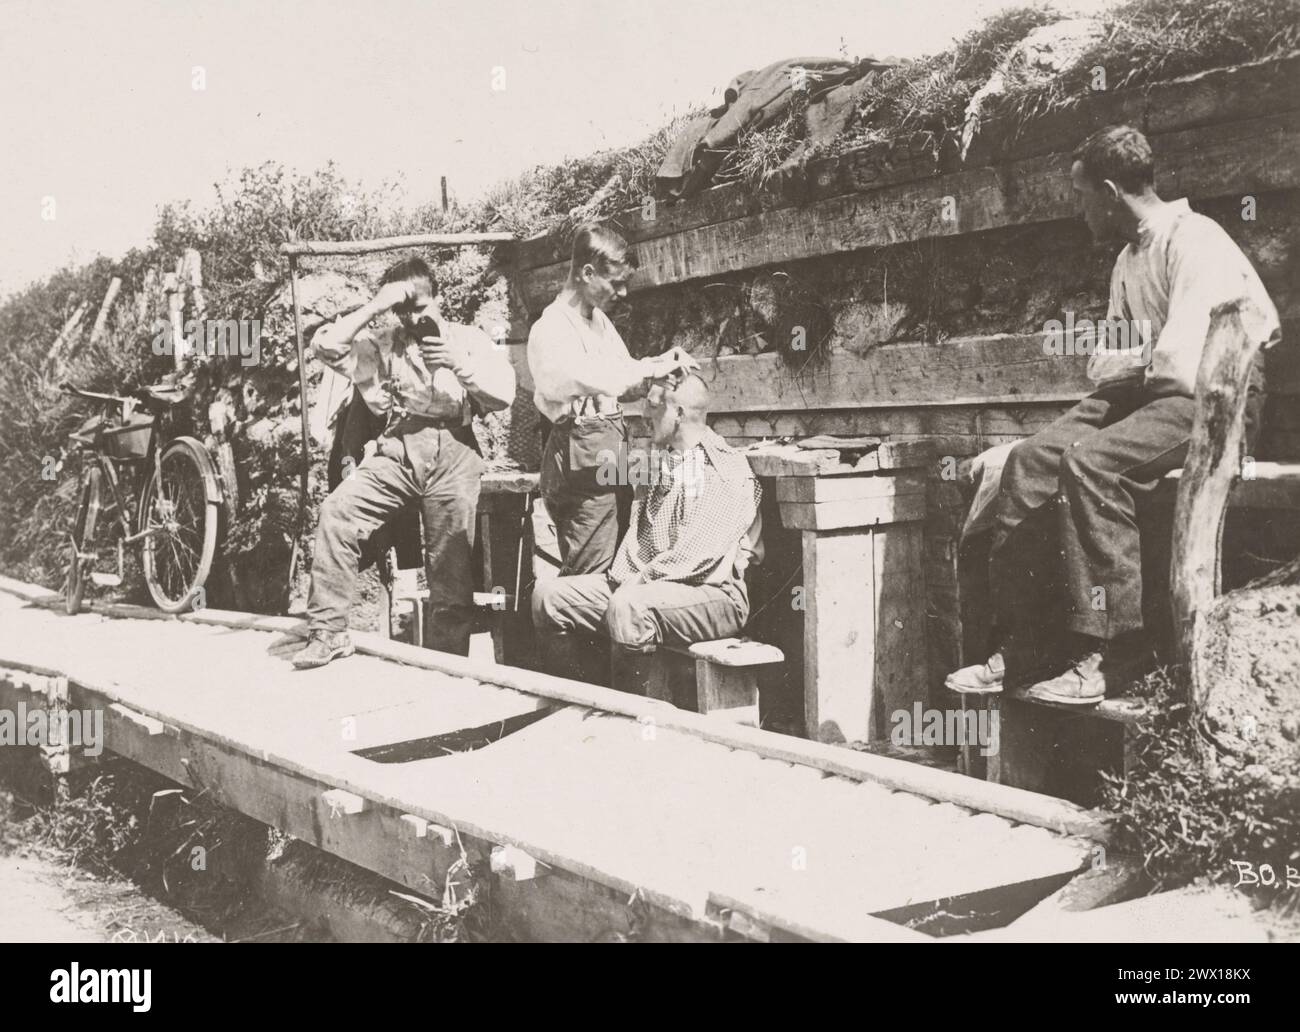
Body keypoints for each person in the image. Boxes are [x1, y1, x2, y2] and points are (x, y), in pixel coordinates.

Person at [946, 125, 1280, 705]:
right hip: (1159, 394)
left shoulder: (1192, 238)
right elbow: (1103, 366)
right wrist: (1140, 358)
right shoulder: (1128, 259)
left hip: (1219, 401)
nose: (1080, 213)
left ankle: (1115, 652)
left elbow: (1180, 366)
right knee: (1028, 461)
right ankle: (1025, 646)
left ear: (1108, 191)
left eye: (1081, 197)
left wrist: (1137, 359)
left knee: (1090, 464)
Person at [293, 256, 516, 668]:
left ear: (440, 297)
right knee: (337, 512)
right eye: (403, 310)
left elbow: (504, 394)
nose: (412, 318)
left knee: (450, 569)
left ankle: (446, 667)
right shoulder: (385, 341)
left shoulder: (468, 338)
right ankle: (329, 632)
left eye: (420, 307)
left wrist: (457, 363)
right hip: (400, 444)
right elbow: (325, 346)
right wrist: (378, 306)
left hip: (455, 446)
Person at [531, 373, 763, 690]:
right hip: (648, 587)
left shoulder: (724, 470)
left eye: (653, 406)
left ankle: (631, 720)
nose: (644, 415)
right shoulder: (657, 461)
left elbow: (694, 558)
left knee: (629, 606)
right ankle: (576, 707)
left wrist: (634, 582)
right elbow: (598, 466)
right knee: (549, 598)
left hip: (715, 595)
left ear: (679, 413)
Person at [527, 224, 698, 576]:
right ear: (587, 272)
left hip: (608, 459)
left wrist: (659, 365)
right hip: (581, 467)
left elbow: (624, 373)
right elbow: (596, 378)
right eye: (615, 283)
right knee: (589, 580)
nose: (622, 293)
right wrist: (649, 372)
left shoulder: (599, 321)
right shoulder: (551, 329)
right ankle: (560, 625)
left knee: (618, 566)